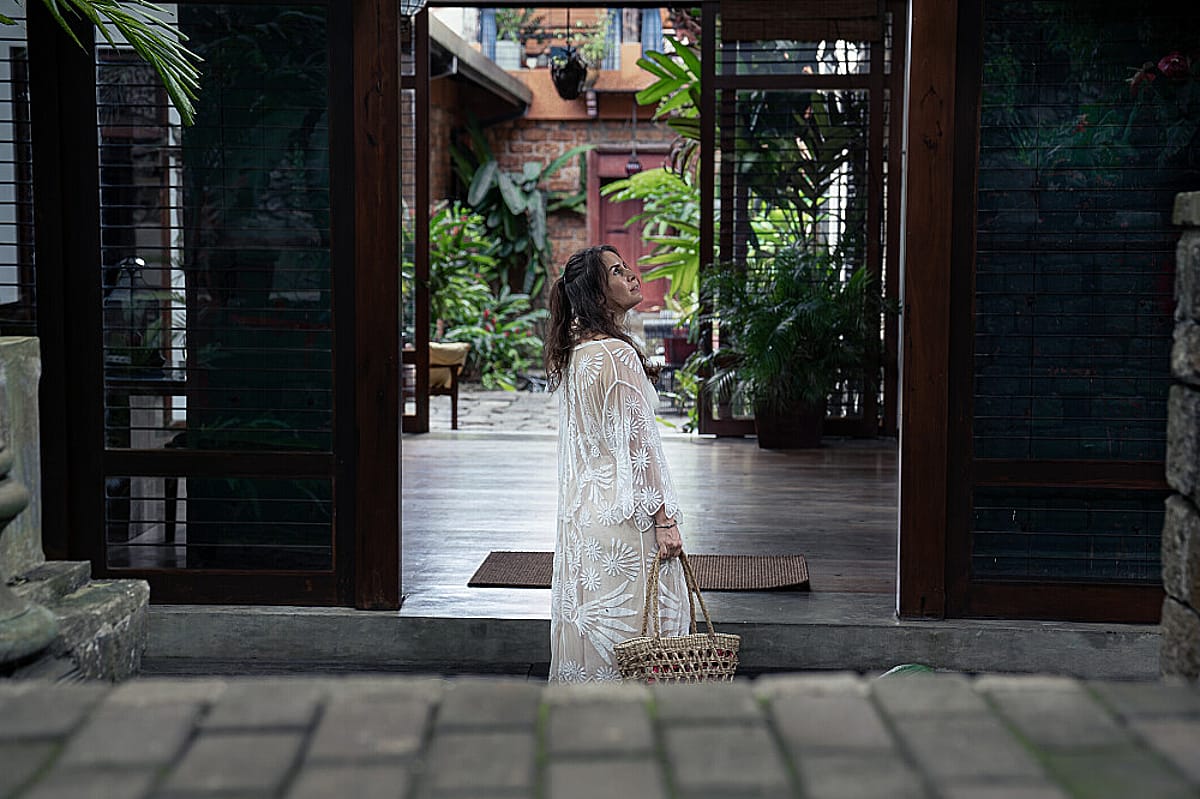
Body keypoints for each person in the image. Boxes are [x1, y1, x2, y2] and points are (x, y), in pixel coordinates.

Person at [544, 244, 689, 682]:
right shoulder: (616, 354)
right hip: (628, 518)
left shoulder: (574, 354)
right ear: (597, 295)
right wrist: (664, 520)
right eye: (617, 272)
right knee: (643, 635)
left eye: (628, 268)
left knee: (599, 640)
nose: (632, 276)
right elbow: (638, 447)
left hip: (586, 518)